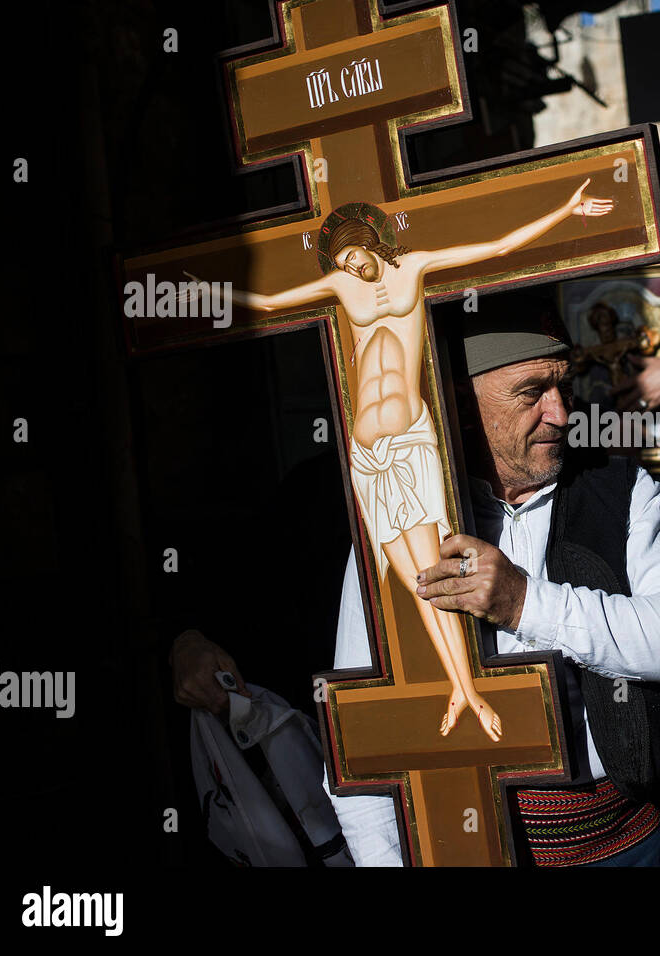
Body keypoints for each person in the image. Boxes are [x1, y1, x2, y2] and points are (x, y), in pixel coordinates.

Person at [188, 182, 613, 744]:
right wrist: (214, 292)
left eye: (353, 254)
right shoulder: (341, 286)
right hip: (368, 450)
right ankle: (460, 687)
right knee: (412, 581)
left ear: (370, 243)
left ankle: (466, 684)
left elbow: (496, 246)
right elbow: (270, 302)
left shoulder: (411, 267)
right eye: (339, 260)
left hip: (411, 438)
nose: (349, 266)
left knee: (438, 569)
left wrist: (563, 207)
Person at [325, 289, 660, 867]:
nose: (561, 414)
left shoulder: (620, 493)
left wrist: (524, 602)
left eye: (562, 387)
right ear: (461, 404)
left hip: (623, 845)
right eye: (530, 393)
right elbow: (357, 738)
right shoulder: (400, 521)